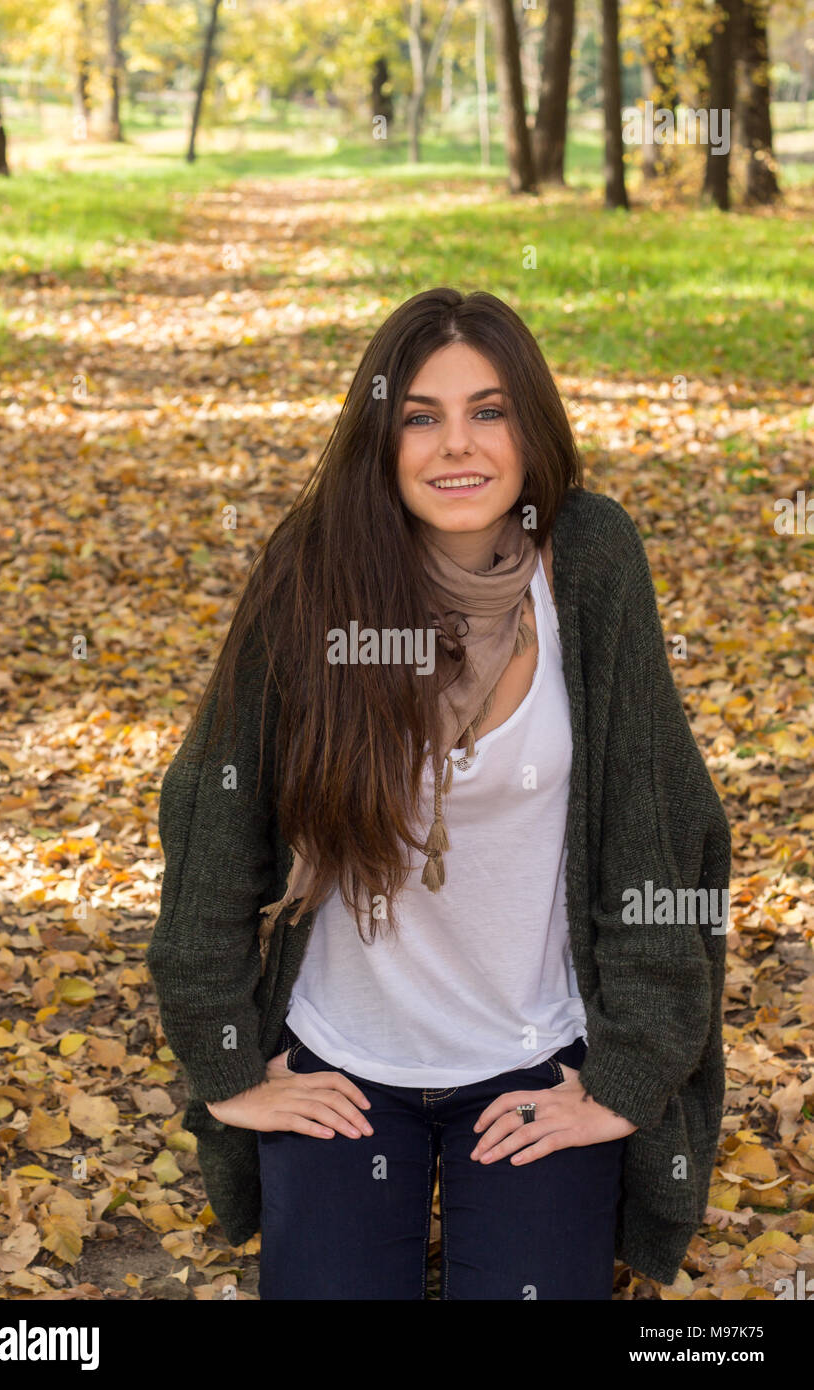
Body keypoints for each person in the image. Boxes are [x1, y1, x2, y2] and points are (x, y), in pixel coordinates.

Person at [146, 287, 732, 1300]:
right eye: (420, 415)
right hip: (342, 1062)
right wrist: (228, 1062)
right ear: (383, 435)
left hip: (531, 1059)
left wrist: (625, 1076)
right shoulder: (314, 567)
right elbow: (213, 808)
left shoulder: (587, 560)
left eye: (488, 411)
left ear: (529, 427)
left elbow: (658, 831)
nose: (455, 445)